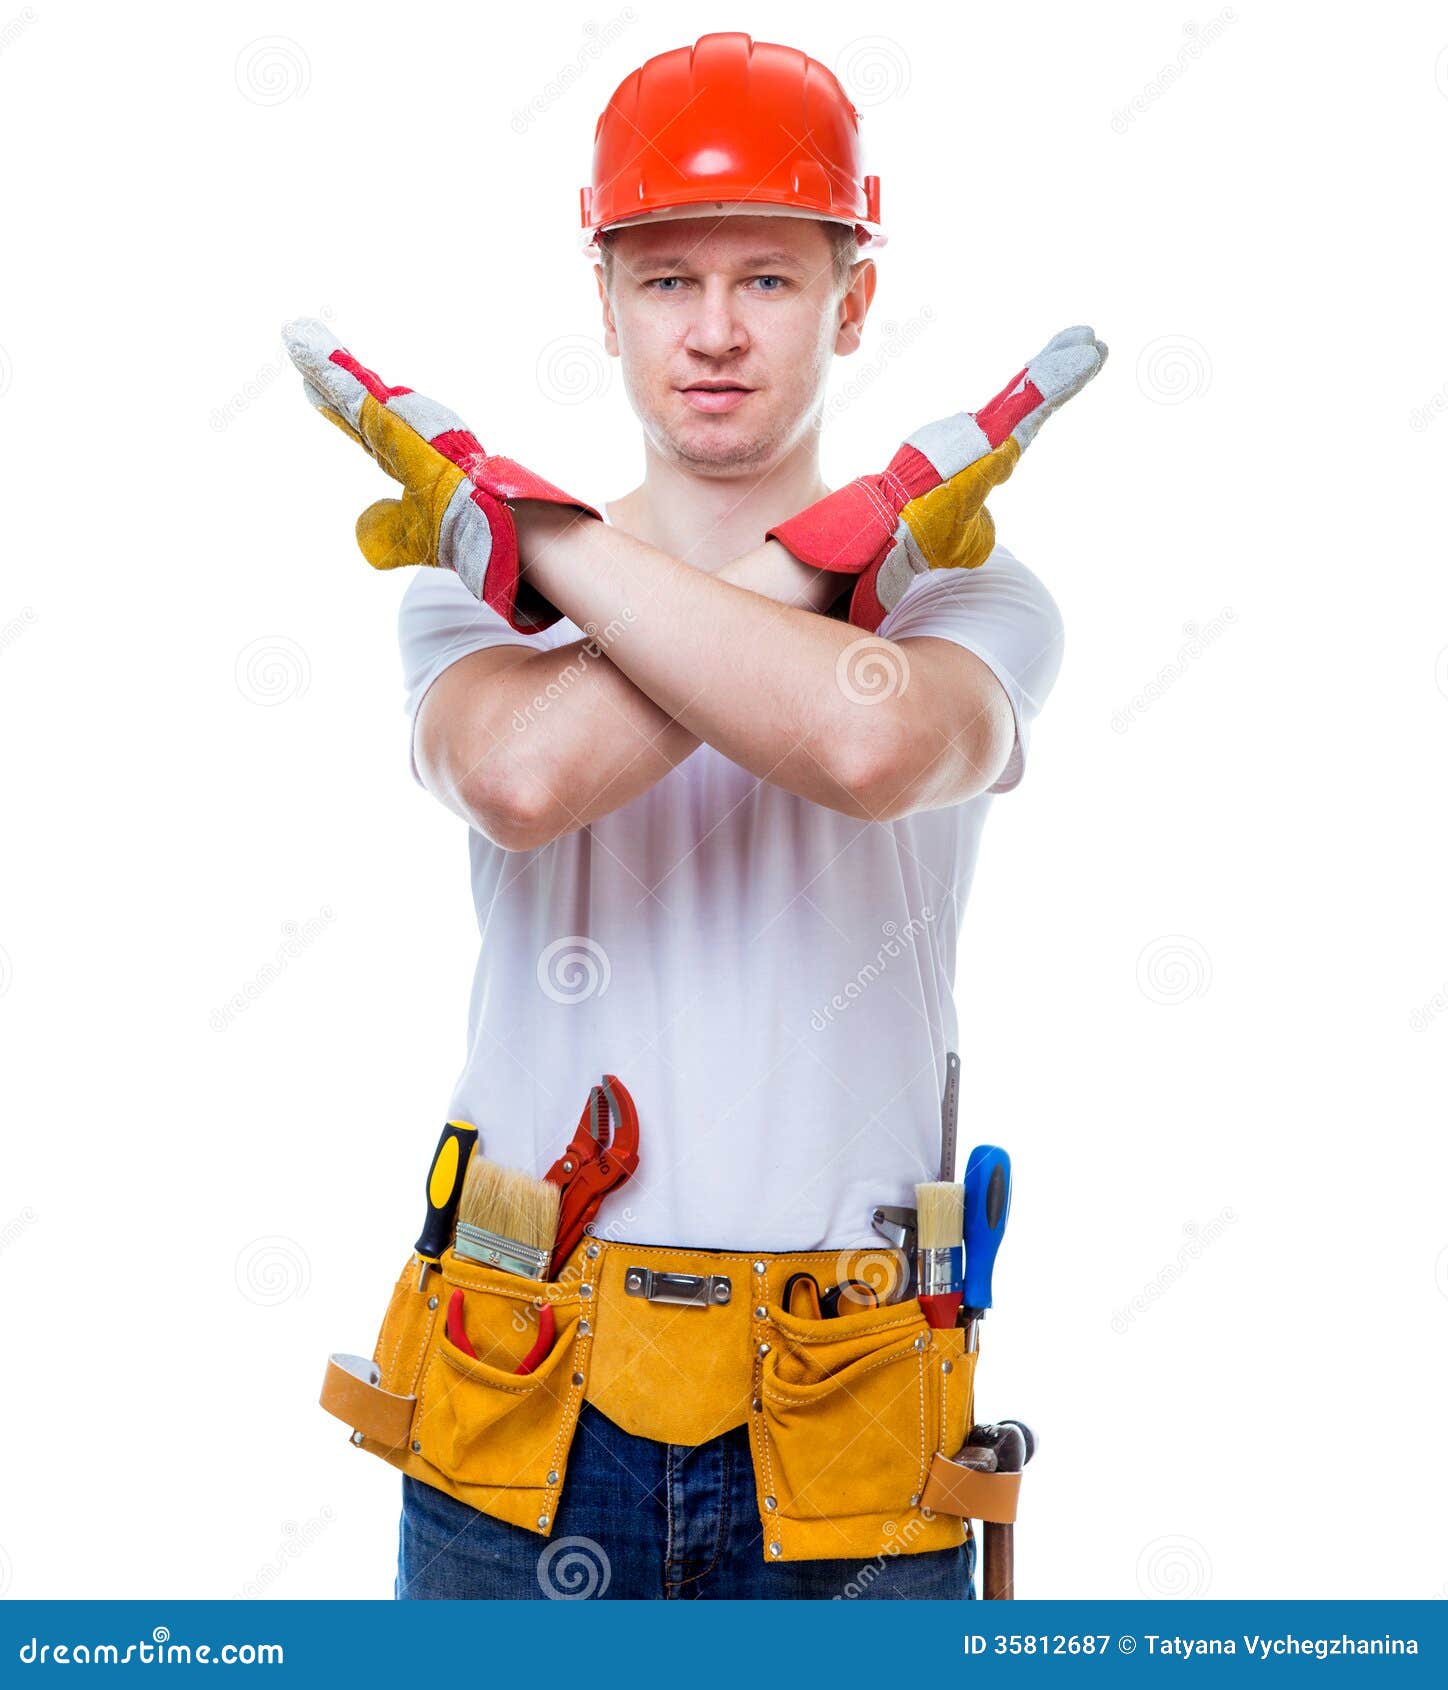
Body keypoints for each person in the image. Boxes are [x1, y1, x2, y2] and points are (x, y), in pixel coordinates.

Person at [286, 31, 1103, 1600]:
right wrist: (828, 556)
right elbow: (528, 782)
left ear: (854, 297)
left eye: (770, 280)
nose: (714, 333)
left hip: (849, 1419)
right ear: (603, 300)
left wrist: (527, 525)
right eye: (666, 281)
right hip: (521, 1392)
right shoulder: (461, 607)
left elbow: (861, 747)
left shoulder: (974, 590)